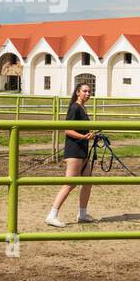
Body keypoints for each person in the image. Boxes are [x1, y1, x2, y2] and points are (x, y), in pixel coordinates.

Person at [47, 81, 97, 227]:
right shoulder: (75, 107)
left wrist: (88, 134)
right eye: (85, 91)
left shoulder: (82, 107)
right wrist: (84, 137)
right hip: (74, 149)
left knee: (87, 182)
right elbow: (67, 129)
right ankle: (52, 214)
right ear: (77, 92)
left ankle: (82, 214)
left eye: (89, 92)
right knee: (70, 183)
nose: (88, 94)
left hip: (83, 149)